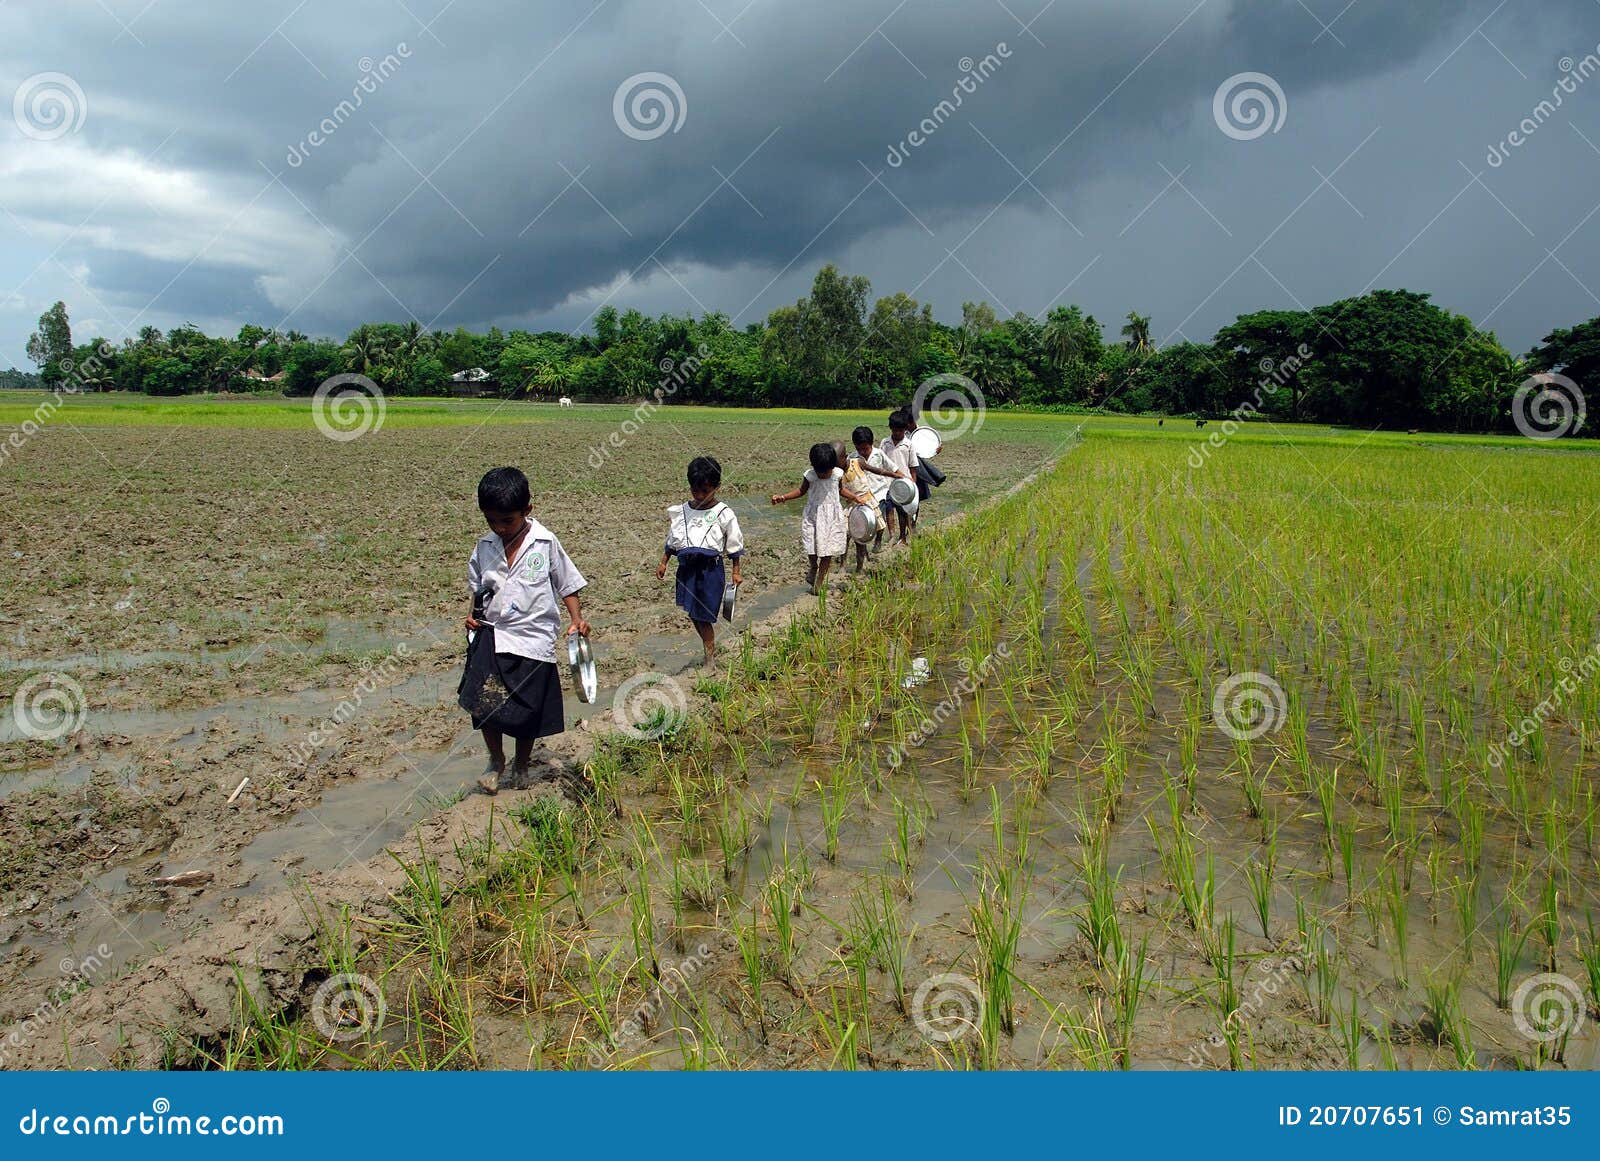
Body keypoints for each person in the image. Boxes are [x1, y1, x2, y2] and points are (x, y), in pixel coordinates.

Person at [458, 466, 591, 795]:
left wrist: (576, 619)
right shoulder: (484, 546)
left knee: (527, 709)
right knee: (484, 703)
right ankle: (495, 760)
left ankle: (520, 764)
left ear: (527, 511)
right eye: (492, 521)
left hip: (533, 637)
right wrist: (471, 617)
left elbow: (567, 584)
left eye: (508, 521)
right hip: (493, 633)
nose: (500, 528)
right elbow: (478, 590)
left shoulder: (544, 543)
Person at [656, 455, 744, 670]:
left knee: (704, 615)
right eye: (696, 491)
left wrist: (736, 570)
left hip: (710, 571)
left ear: (716, 487)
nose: (700, 496)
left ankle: (710, 658)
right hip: (687, 570)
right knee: (694, 614)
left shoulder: (724, 513)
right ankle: (709, 655)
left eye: (706, 491)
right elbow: (673, 539)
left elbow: (734, 543)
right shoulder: (683, 511)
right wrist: (664, 561)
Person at [772, 442, 869, 595]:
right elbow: (800, 491)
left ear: (833, 465)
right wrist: (783, 497)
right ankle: (813, 566)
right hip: (814, 516)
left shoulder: (837, 474)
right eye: (820, 472)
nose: (823, 475)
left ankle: (819, 582)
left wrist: (855, 497)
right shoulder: (810, 476)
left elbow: (841, 490)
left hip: (831, 518)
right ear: (813, 466)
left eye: (826, 472)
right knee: (812, 545)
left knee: (827, 552)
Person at [846, 425, 895, 568]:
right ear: (855, 446)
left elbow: (889, 467)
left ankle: (878, 540)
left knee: (879, 523)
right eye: (859, 449)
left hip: (878, 493)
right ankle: (864, 551)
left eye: (865, 449)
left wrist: (898, 474)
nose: (862, 452)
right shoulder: (852, 458)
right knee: (864, 526)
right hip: (861, 496)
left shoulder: (878, 454)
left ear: (871, 444)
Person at [879, 409, 920, 545]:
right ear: (890, 428)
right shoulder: (885, 443)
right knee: (889, 509)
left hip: (904, 484)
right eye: (895, 430)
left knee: (903, 511)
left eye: (900, 431)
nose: (897, 433)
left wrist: (913, 483)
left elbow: (913, 466)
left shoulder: (909, 444)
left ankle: (903, 536)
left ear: (905, 429)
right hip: (888, 484)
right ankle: (891, 535)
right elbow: (880, 462)